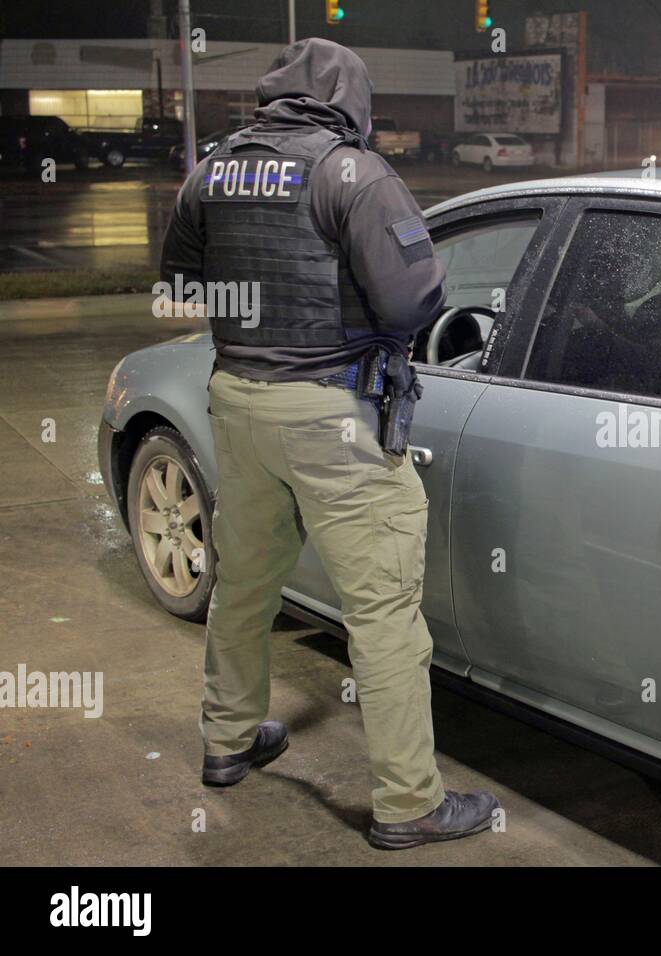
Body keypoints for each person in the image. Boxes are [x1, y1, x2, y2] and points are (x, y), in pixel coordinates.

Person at [160, 37, 499, 850]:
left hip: (238, 403)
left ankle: (229, 741)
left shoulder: (213, 170)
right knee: (382, 614)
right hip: (332, 413)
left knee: (242, 583)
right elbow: (414, 301)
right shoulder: (351, 173)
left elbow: (179, 287)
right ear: (349, 100)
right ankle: (408, 802)